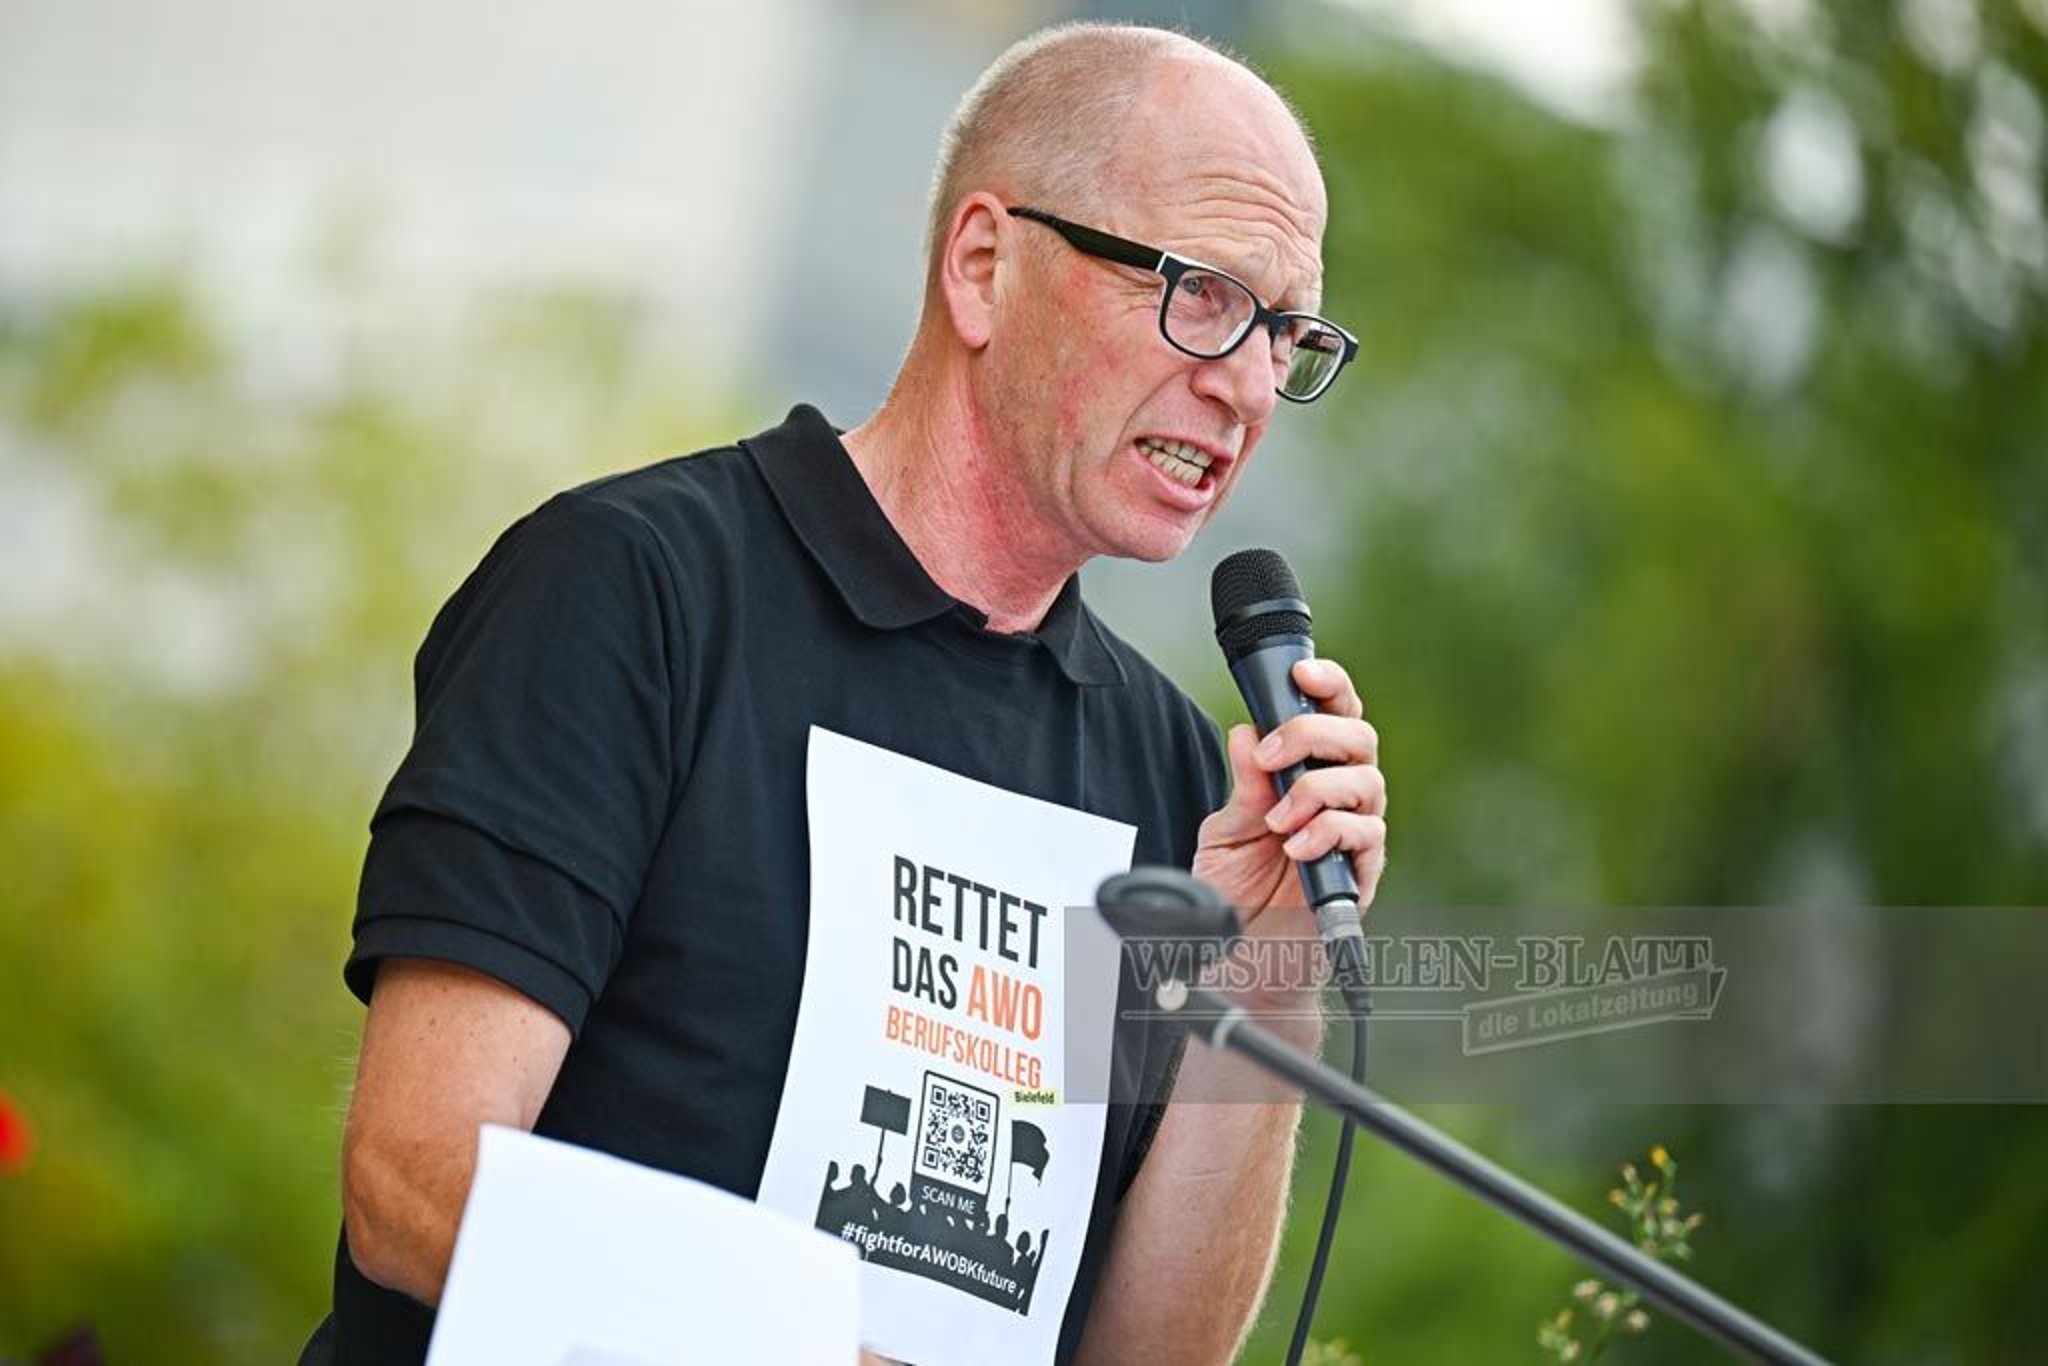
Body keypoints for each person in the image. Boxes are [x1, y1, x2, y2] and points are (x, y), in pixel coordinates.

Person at [300, 21, 1386, 1366]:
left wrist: (1267, 980)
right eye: (1204, 293)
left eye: (1288, 333)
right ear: (984, 266)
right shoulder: (637, 592)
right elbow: (414, 1180)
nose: (1247, 383)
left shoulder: (1174, 770)